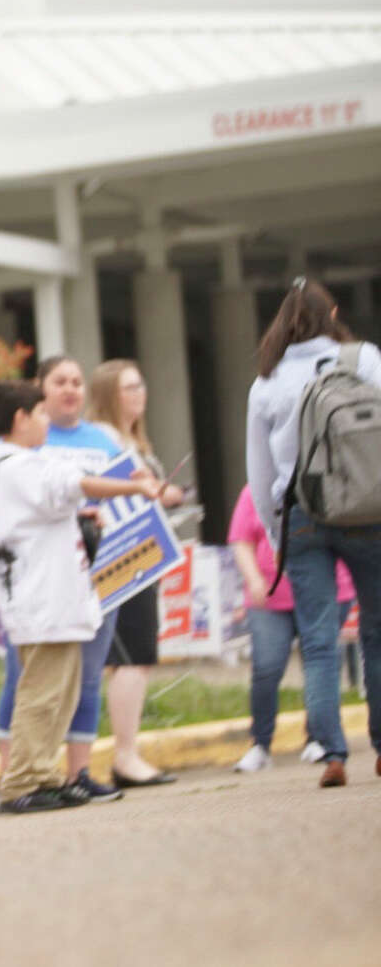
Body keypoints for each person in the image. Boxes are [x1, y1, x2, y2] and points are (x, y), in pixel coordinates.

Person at [0, 381, 161, 813]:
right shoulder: (19, 465)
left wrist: (81, 512)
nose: (46, 422)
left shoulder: (13, 465)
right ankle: (23, 781)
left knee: (58, 692)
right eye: (40, 414)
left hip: (49, 598)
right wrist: (135, 488)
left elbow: (52, 503)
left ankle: (42, 775)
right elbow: (75, 483)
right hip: (43, 601)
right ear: (21, 419)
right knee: (43, 693)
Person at [245, 278, 381, 788]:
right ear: (335, 312)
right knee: (377, 632)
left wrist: (276, 531)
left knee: (319, 641)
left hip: (301, 514)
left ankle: (330, 752)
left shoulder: (266, 380)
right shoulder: (364, 359)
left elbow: (259, 473)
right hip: (367, 510)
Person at [87, 359, 189, 788]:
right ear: (111, 394)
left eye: (141, 385)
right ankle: (124, 754)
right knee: (131, 656)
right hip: (124, 555)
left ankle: (128, 750)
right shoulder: (106, 440)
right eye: (129, 387)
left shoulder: (132, 439)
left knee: (138, 656)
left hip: (144, 554)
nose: (139, 394)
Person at [226, 483, 352, 771]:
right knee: (267, 667)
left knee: (320, 661)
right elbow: (240, 539)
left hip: (326, 592)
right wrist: (255, 579)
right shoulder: (255, 489)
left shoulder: (327, 485)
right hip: (270, 596)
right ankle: (260, 743)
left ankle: (319, 739)